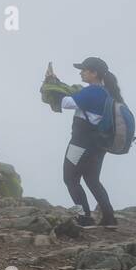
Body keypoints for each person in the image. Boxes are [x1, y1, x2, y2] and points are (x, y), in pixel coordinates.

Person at [41, 57, 119, 227]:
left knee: (70, 178)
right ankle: (109, 217)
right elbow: (74, 94)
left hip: (80, 143)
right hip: (98, 144)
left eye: (84, 70)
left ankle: (84, 217)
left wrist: (50, 83)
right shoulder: (106, 92)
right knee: (92, 179)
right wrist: (55, 81)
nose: (81, 72)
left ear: (94, 73)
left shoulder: (93, 92)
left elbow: (66, 102)